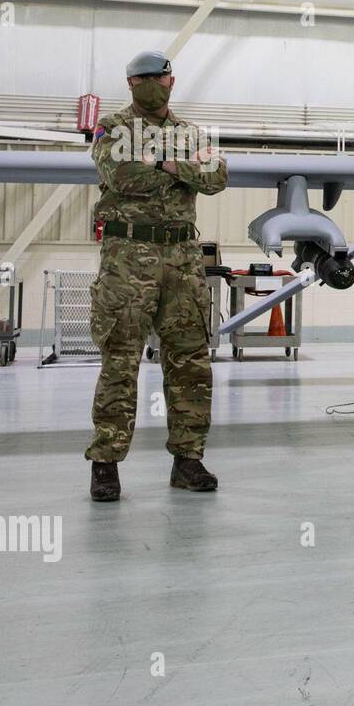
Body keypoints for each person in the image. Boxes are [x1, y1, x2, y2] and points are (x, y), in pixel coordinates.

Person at [87, 50, 227, 502]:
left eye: (159, 77)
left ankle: (188, 459)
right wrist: (181, 167)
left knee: (190, 361)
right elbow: (120, 174)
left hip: (183, 257)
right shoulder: (113, 127)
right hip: (129, 256)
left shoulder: (192, 132)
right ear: (131, 84)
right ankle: (106, 463)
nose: (152, 84)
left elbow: (217, 175)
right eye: (142, 78)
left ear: (171, 81)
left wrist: (161, 162)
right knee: (120, 360)